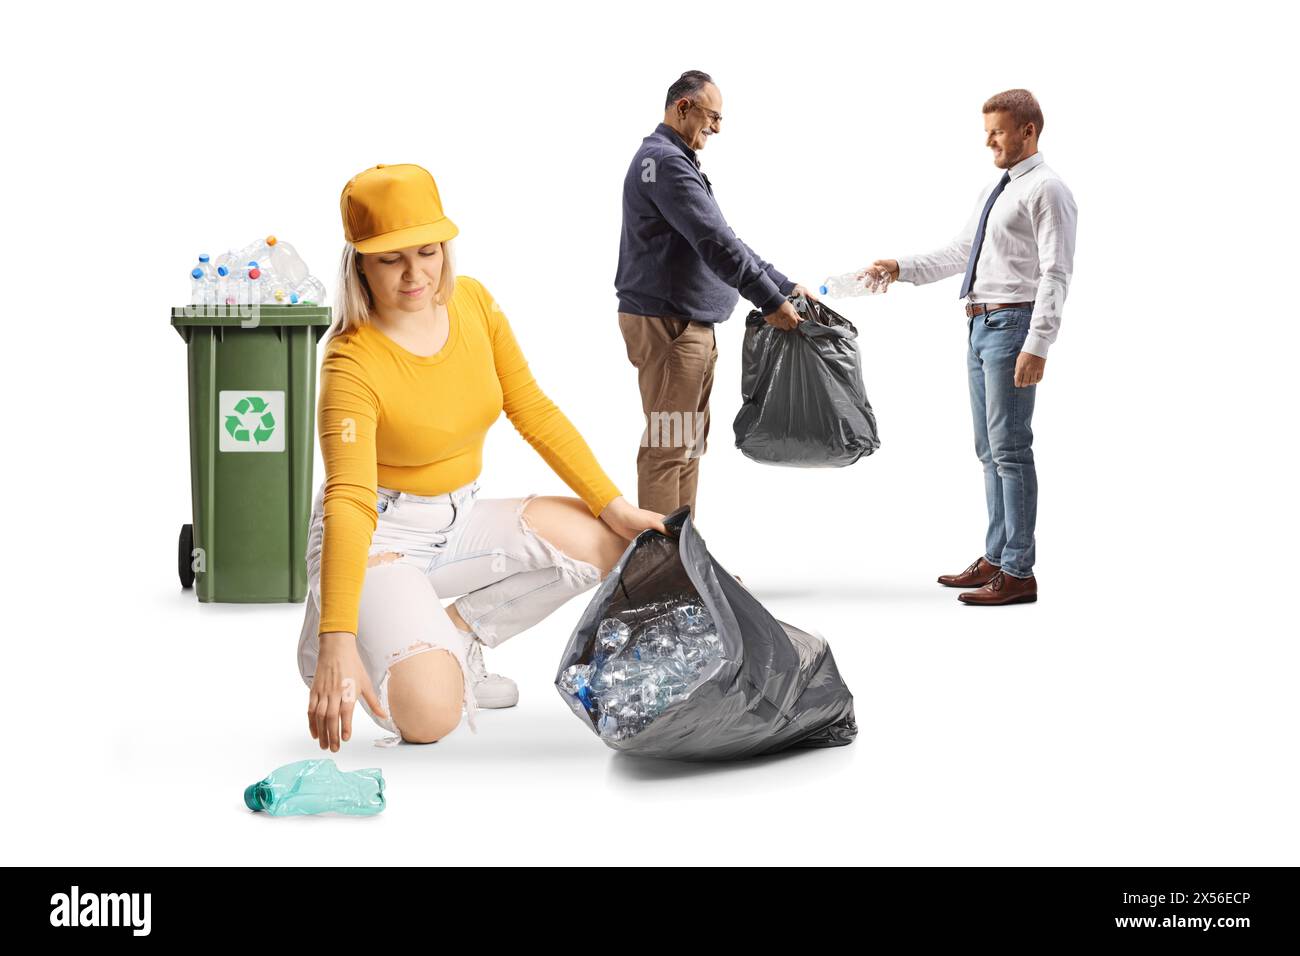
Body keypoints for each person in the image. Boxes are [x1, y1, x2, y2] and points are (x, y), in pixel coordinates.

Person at [297, 163, 665, 750]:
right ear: (360, 264)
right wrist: (337, 639)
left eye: (428, 251)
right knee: (430, 719)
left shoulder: (473, 303)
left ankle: (455, 639)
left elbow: (533, 410)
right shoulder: (351, 362)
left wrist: (613, 505)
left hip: (459, 518)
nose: (415, 273)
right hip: (376, 538)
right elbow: (350, 499)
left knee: (613, 545)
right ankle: (346, 627)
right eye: (391, 259)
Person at [866, 89, 1077, 605]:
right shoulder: (996, 190)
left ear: (1028, 130)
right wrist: (901, 268)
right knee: (989, 450)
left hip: (1013, 326)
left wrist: (1038, 343)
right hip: (980, 326)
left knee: (1011, 450)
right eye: (987, 132)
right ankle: (998, 556)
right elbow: (963, 252)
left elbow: (1056, 271)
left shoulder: (1047, 189)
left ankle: (1019, 571)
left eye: (997, 131)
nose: (989, 142)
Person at [615, 69, 817, 516]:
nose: (718, 128)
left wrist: (783, 285)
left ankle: (683, 548)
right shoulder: (666, 162)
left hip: (686, 324)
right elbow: (715, 242)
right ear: (683, 107)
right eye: (713, 116)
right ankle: (663, 555)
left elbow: (724, 237)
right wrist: (769, 300)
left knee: (687, 445)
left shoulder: (672, 160)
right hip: (670, 326)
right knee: (669, 446)